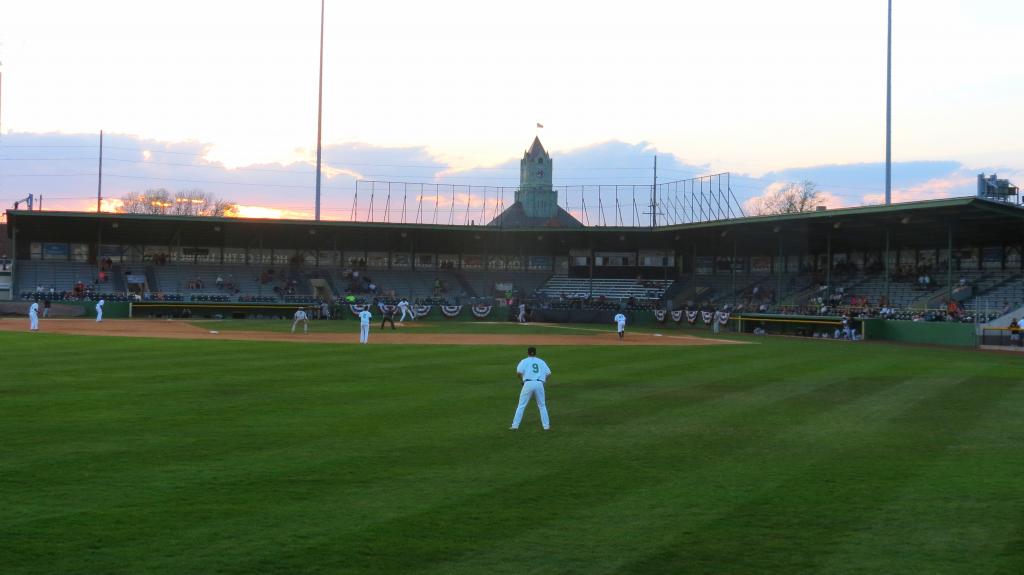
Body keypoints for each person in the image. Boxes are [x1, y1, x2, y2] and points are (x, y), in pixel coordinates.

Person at [510, 346, 551, 431]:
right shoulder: (541, 361)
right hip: (539, 383)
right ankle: (546, 426)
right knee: (542, 405)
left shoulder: (524, 361)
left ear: (528, 353)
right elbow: (548, 373)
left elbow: (518, 372)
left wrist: (522, 380)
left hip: (528, 383)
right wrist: (543, 382)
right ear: (535, 353)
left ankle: (515, 426)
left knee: (521, 405)